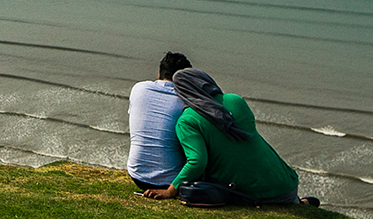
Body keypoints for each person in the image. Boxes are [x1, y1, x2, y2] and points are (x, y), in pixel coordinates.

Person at [143, 68, 313, 206]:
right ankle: (301, 202)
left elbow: (197, 162)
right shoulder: (236, 101)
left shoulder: (187, 121)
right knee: (291, 200)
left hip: (253, 193)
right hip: (285, 181)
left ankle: (301, 203)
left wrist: (170, 190)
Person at [126, 52, 191, 190]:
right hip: (171, 182)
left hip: (137, 175)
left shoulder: (139, 89)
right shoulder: (186, 100)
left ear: (159, 74)